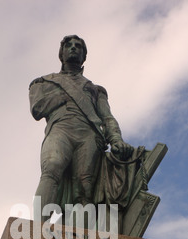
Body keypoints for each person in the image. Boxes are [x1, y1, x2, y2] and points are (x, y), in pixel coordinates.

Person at [29, 35, 134, 224]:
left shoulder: (96, 89)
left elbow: (107, 117)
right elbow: (37, 109)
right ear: (61, 53)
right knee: (52, 167)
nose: (73, 48)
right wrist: (64, 94)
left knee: (84, 190)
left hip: (89, 135)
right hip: (60, 128)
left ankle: (81, 238)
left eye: (78, 46)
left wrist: (116, 139)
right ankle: (36, 229)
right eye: (68, 45)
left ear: (84, 56)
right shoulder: (44, 82)